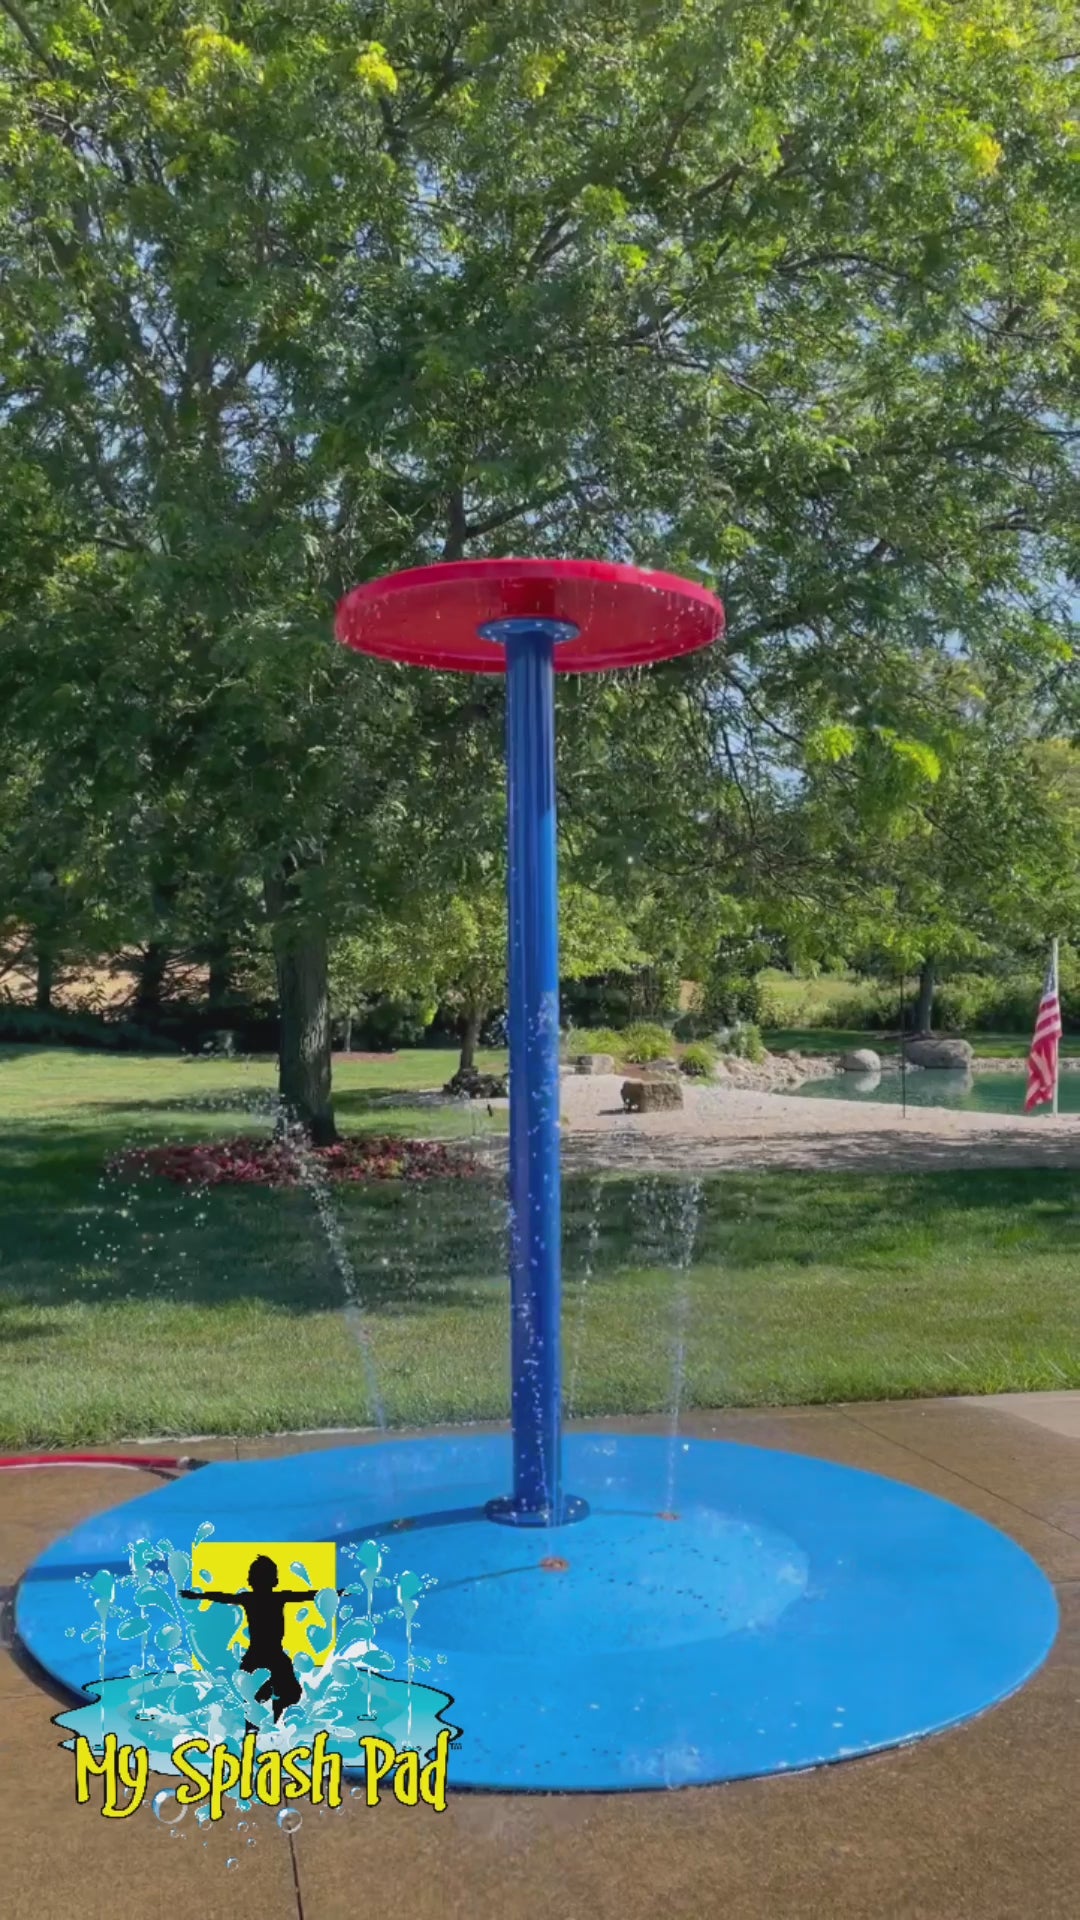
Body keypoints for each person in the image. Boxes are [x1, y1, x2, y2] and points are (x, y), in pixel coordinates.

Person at [181, 1554, 320, 1722]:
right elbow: (308, 1595)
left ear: (250, 1580)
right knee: (289, 1693)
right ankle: (269, 1704)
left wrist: (199, 1596)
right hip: (271, 1654)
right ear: (274, 1581)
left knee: (253, 1695)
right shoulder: (276, 1597)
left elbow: (223, 1597)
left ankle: (266, 1701)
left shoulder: (250, 1598)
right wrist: (335, 1594)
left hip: (257, 1655)